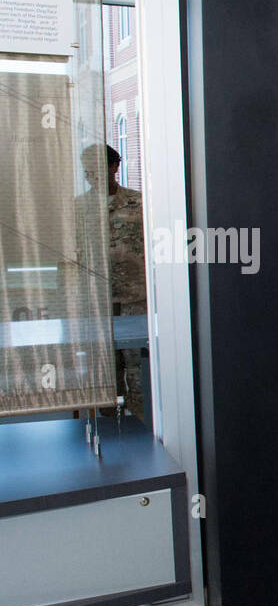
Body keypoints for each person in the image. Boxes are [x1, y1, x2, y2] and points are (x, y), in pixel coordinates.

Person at [79, 145, 147, 421]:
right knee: (106, 375)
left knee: (139, 373)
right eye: (87, 171)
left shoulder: (139, 203)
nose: (92, 176)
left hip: (135, 299)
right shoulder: (78, 208)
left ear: (114, 167)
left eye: (98, 169)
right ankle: (109, 434)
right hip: (98, 302)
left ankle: (144, 432)